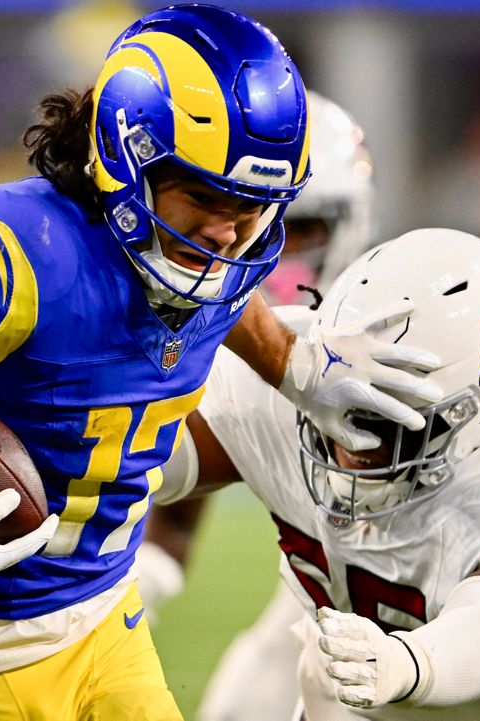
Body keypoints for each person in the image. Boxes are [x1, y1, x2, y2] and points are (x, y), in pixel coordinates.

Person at [0, 5, 441, 720]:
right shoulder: (26, 255)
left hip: (103, 624)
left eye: (253, 206)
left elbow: (231, 288)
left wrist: (296, 365)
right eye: (204, 195)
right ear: (129, 158)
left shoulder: (218, 252)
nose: (228, 233)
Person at [148, 228, 480, 720]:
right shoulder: (295, 380)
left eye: (388, 419)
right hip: (353, 700)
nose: (351, 438)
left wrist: (408, 663)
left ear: (471, 418)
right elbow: (136, 455)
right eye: (347, 396)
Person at [136, 89, 379, 721]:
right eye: (246, 213)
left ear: (349, 224)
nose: (261, 244)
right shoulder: (168, 306)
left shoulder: (378, 335)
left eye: (294, 227)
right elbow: (172, 479)